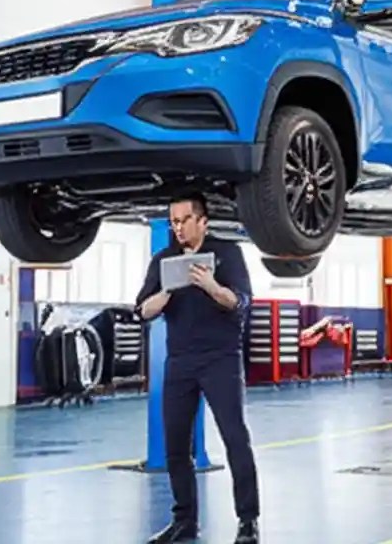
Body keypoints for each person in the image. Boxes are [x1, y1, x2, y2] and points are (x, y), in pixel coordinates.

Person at [136, 191, 260, 544]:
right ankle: (184, 521)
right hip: (180, 362)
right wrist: (167, 293)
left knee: (236, 438)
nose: (177, 228)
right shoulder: (164, 261)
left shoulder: (227, 254)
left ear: (202, 221)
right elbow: (141, 310)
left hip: (221, 358)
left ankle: (248, 521)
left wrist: (209, 285)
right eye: (173, 221)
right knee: (176, 445)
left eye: (183, 220)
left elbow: (240, 303)